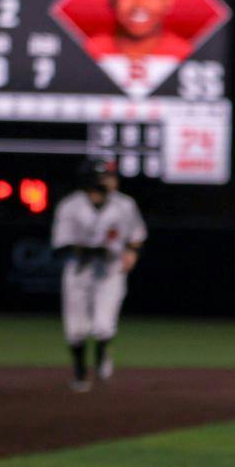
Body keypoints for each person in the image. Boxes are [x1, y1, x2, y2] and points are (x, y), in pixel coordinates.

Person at [50, 157, 146, 391]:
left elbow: (137, 234)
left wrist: (132, 252)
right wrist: (89, 248)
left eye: (111, 176)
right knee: (76, 330)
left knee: (103, 326)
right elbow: (60, 244)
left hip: (110, 269)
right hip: (80, 270)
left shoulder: (125, 205)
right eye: (106, 176)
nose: (112, 180)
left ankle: (102, 354)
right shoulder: (71, 206)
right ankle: (80, 373)